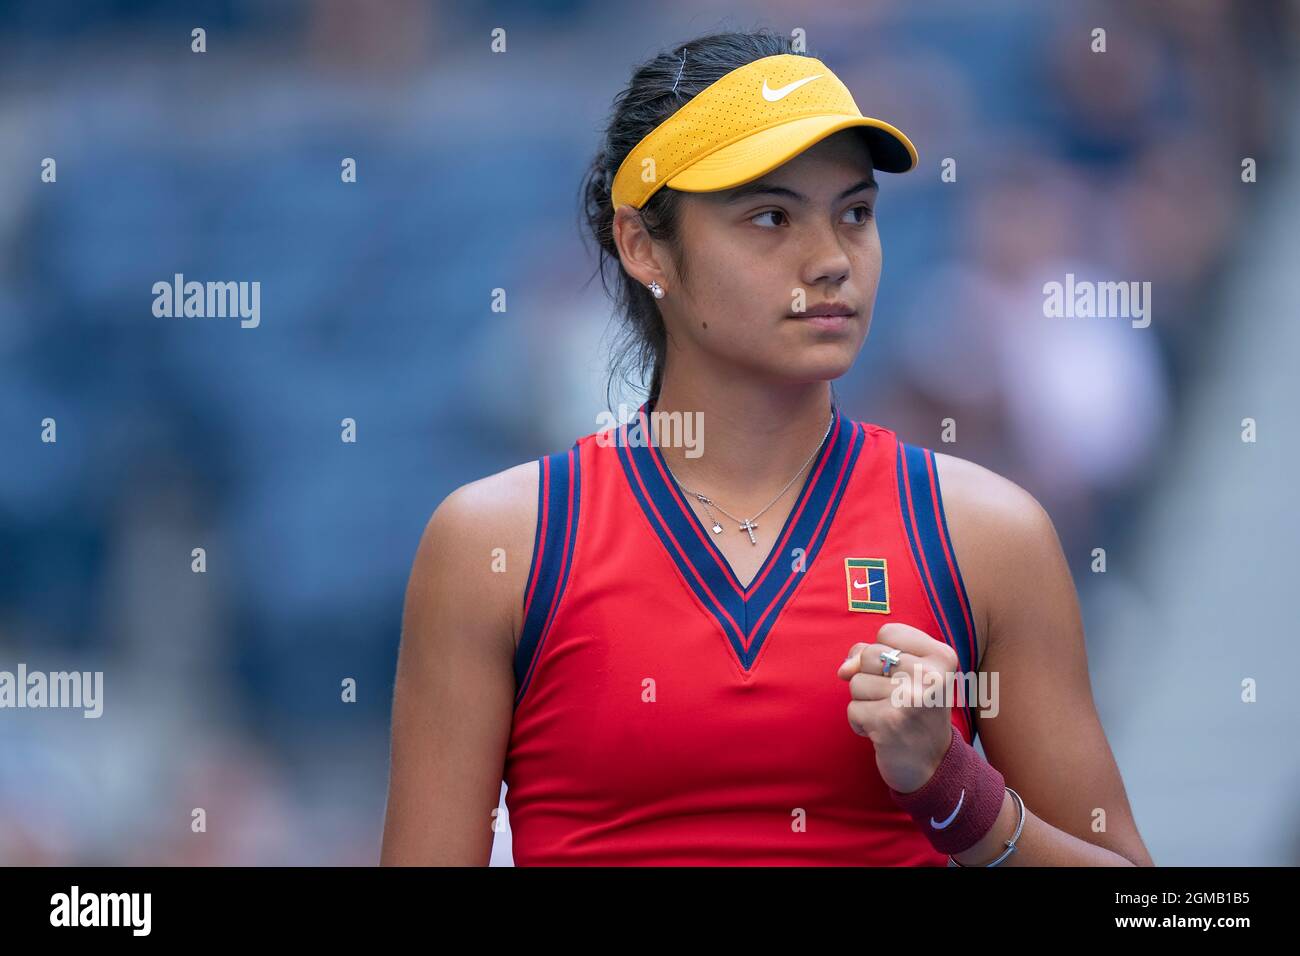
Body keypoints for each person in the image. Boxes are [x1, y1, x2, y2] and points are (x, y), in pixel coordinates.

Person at [380, 30, 1154, 866]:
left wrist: (954, 792)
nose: (831, 261)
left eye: (855, 213)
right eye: (771, 217)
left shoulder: (990, 536)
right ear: (644, 246)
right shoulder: (495, 546)